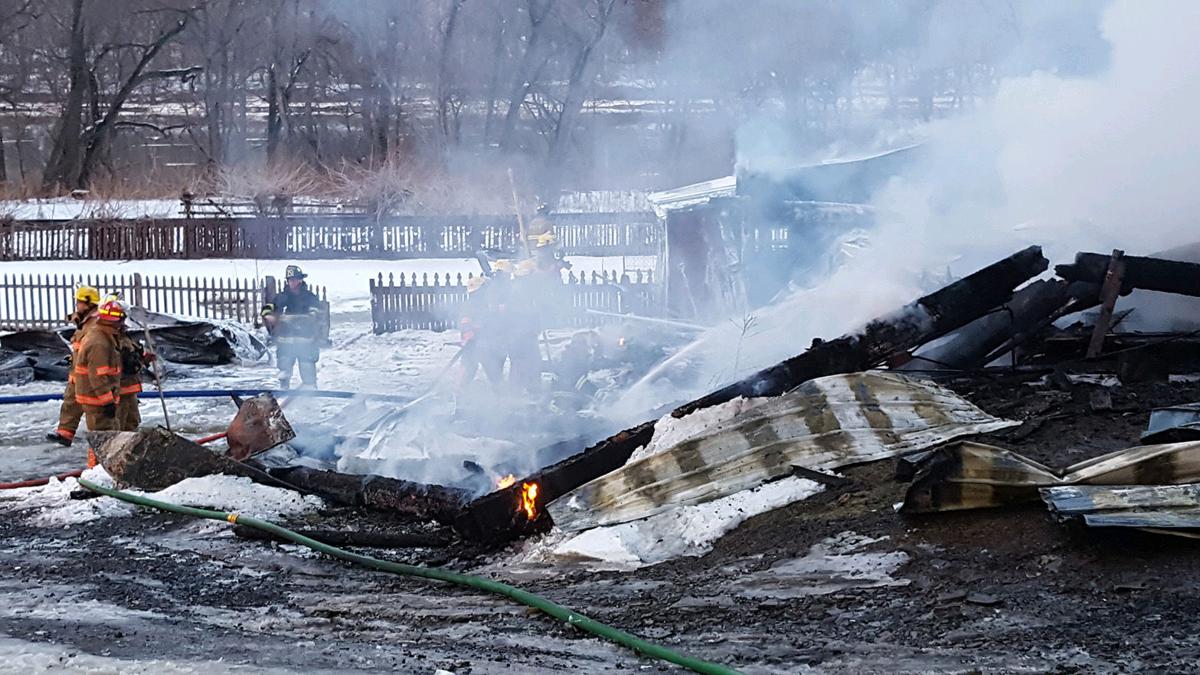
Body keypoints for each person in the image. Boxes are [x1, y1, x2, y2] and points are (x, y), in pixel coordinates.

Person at [46, 285, 100, 446]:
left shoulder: (94, 324)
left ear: (89, 303)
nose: (77, 305)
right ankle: (65, 433)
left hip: (87, 373)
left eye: (79, 302)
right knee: (70, 402)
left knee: (92, 411)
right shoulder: (84, 321)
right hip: (77, 371)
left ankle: (97, 452)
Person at [261, 265, 322, 389]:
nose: (293, 282)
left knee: (307, 364)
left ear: (301, 280)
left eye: (295, 279)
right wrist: (267, 315)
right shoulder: (281, 297)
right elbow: (268, 308)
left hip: (305, 339)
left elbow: (317, 311)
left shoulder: (309, 297)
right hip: (285, 340)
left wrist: (310, 316)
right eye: (291, 280)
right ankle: (284, 389)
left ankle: (310, 390)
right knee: (284, 365)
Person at [74, 297, 125, 438]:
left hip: (97, 397)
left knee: (108, 434)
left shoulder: (105, 335)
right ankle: (97, 461)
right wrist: (107, 402)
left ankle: (99, 460)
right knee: (103, 437)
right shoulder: (99, 343)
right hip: (96, 400)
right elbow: (98, 375)